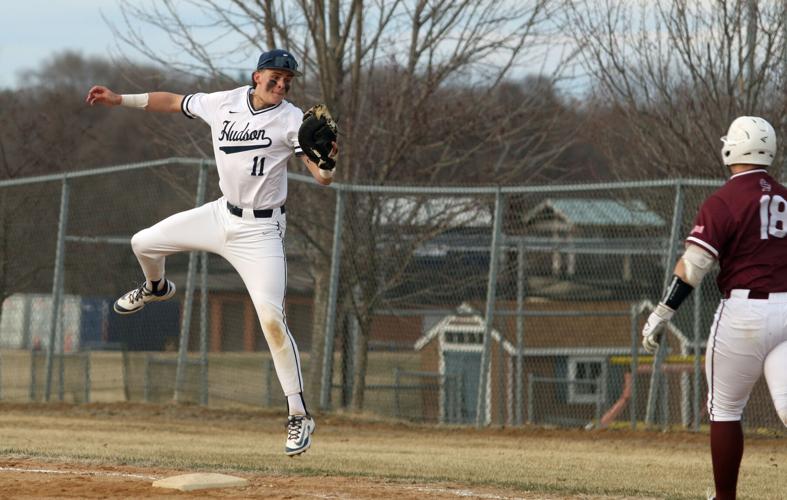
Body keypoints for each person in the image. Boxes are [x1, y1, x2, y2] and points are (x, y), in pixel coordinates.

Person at [86, 49, 336, 457]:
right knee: (143, 242)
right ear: (256, 76)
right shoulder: (225, 102)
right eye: (274, 77)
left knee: (272, 320)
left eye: (287, 80)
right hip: (221, 215)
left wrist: (328, 158)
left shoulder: (294, 119)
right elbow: (171, 102)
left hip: (261, 231)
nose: (282, 84)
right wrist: (119, 100)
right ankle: (157, 286)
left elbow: (322, 177)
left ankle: (298, 414)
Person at [641, 116, 787, 499]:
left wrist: (662, 312)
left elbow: (694, 266)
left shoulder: (724, 200)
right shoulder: (786, 196)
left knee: (724, 408)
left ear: (731, 148)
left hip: (744, 314)